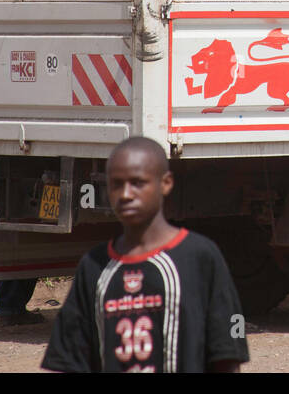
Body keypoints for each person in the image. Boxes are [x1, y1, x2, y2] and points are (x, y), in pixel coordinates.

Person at [41, 136, 249, 373]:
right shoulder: (95, 265)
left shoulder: (200, 257)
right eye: (116, 184)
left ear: (166, 183)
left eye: (138, 183)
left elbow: (226, 355)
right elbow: (71, 358)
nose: (126, 194)